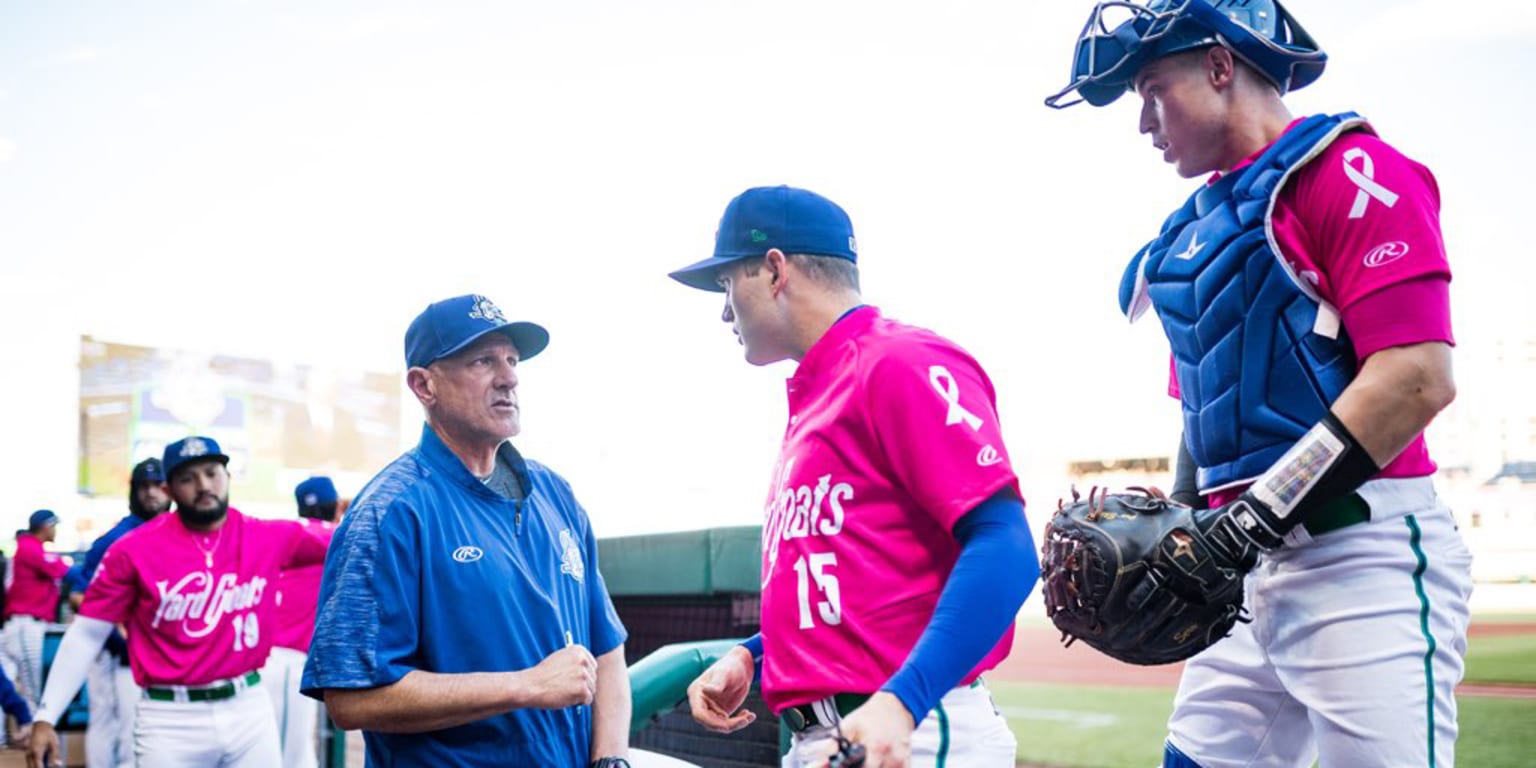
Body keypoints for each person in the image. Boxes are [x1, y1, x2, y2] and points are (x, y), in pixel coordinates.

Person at [1044, 2, 1475, 765]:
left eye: (1152, 89)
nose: (1144, 121)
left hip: (1360, 554)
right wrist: (1183, 519)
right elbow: (1203, 411)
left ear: (1219, 66)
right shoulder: (1182, 240)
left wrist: (1249, 521)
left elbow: (1415, 379)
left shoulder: (1350, 170)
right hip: (1240, 570)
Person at [669, 186, 1039, 768]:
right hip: (832, 732)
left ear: (773, 271)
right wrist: (754, 656)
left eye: (726, 284)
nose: (723, 309)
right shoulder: (820, 392)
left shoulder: (899, 362)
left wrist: (903, 702)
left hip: (905, 727)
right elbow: (860, 597)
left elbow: (1007, 545)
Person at [301, 294, 631, 767]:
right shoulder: (388, 512)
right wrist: (524, 685)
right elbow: (351, 700)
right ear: (424, 384)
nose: (509, 377)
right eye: (483, 361)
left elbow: (606, 651)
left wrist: (610, 759)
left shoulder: (556, 494)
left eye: (512, 360)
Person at [27, 436, 329, 768]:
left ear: (227, 476)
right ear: (170, 490)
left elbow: (351, 539)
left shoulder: (266, 535)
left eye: (212, 472)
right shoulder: (133, 550)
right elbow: (87, 633)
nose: (203, 485)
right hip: (169, 716)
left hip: (249, 706)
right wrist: (46, 716)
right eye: (187, 478)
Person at [74, 457, 172, 768]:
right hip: (114, 651)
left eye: (158, 486)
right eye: (144, 487)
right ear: (134, 492)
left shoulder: (171, 533)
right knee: (119, 727)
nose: (151, 493)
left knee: (131, 728)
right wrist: (118, 631)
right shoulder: (114, 538)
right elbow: (80, 595)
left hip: (143, 652)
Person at [263, 476, 339, 768]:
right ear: (333, 506)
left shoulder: (291, 535)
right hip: (287, 661)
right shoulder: (334, 536)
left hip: (276, 657)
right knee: (288, 754)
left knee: (295, 751)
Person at [2, 510, 71, 709]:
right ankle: (36, 739)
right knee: (35, 694)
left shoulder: (30, 547)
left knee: (7, 688)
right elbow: (64, 571)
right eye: (53, 526)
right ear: (45, 526)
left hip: (20, 625)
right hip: (25, 626)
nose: (55, 530)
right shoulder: (29, 547)